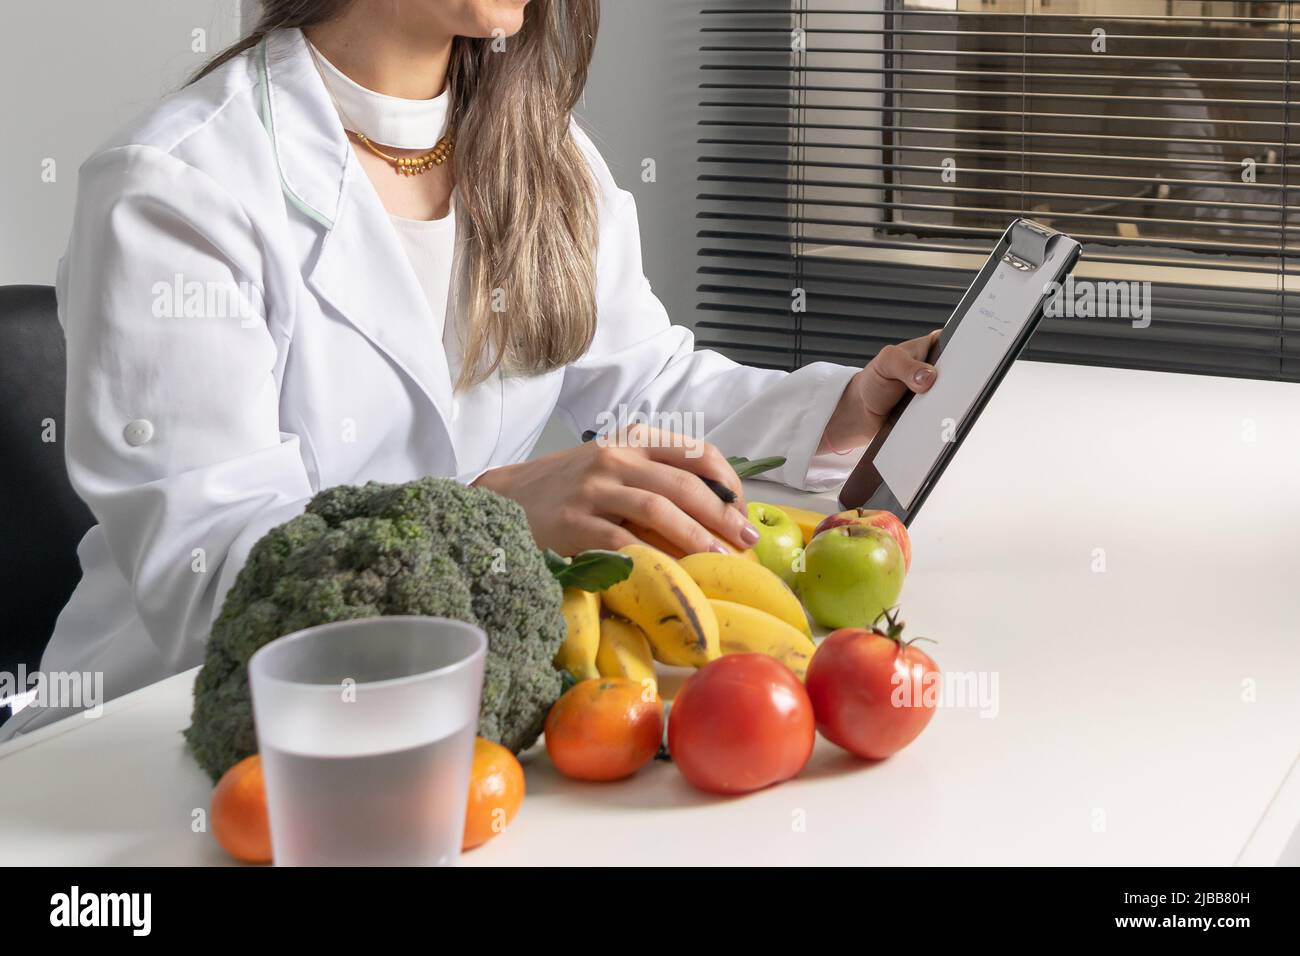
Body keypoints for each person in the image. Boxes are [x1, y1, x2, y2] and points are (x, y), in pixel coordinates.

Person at [2, 0, 936, 738]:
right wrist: (488, 511)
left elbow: (644, 387)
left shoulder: (542, 147)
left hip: (427, 706)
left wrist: (841, 408)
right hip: (151, 735)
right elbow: (206, 579)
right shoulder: (176, 186)